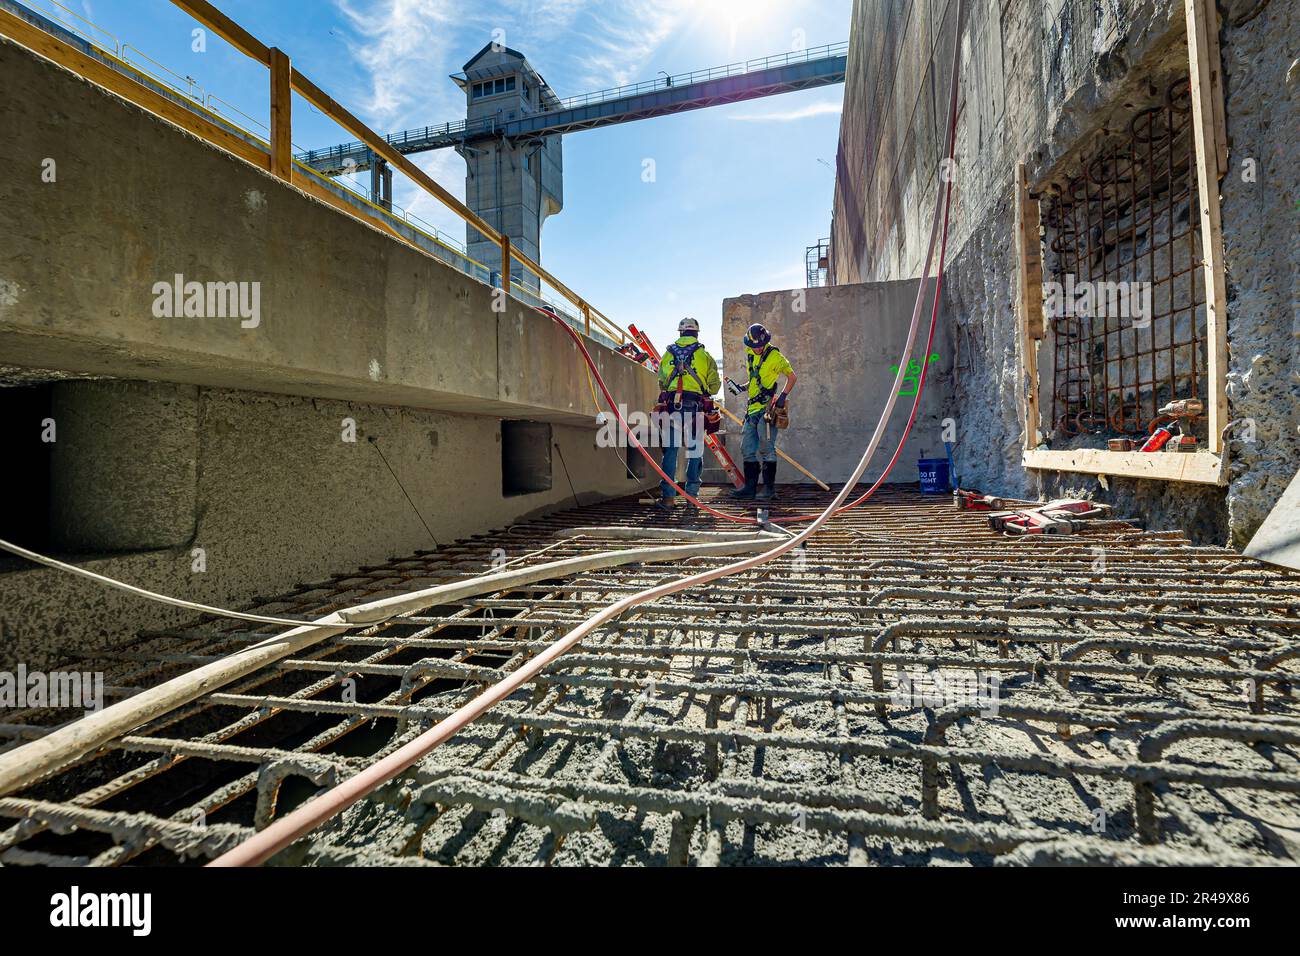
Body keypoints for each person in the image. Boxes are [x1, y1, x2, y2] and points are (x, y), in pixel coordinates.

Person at [655, 317, 720, 510]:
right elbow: (715, 387)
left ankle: (668, 498)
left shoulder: (668, 354)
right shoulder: (704, 355)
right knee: (695, 451)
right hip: (695, 407)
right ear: (696, 333)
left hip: (672, 406)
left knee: (671, 451)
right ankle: (692, 498)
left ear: (681, 333)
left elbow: (662, 381)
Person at [731, 323, 797, 501]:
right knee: (747, 448)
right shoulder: (751, 354)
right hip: (751, 409)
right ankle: (750, 489)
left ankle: (769, 490)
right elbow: (755, 379)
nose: (758, 348)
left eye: (760, 345)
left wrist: (783, 396)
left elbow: (792, 377)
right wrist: (741, 388)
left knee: (767, 449)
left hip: (766, 409)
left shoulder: (775, 356)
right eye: (754, 346)